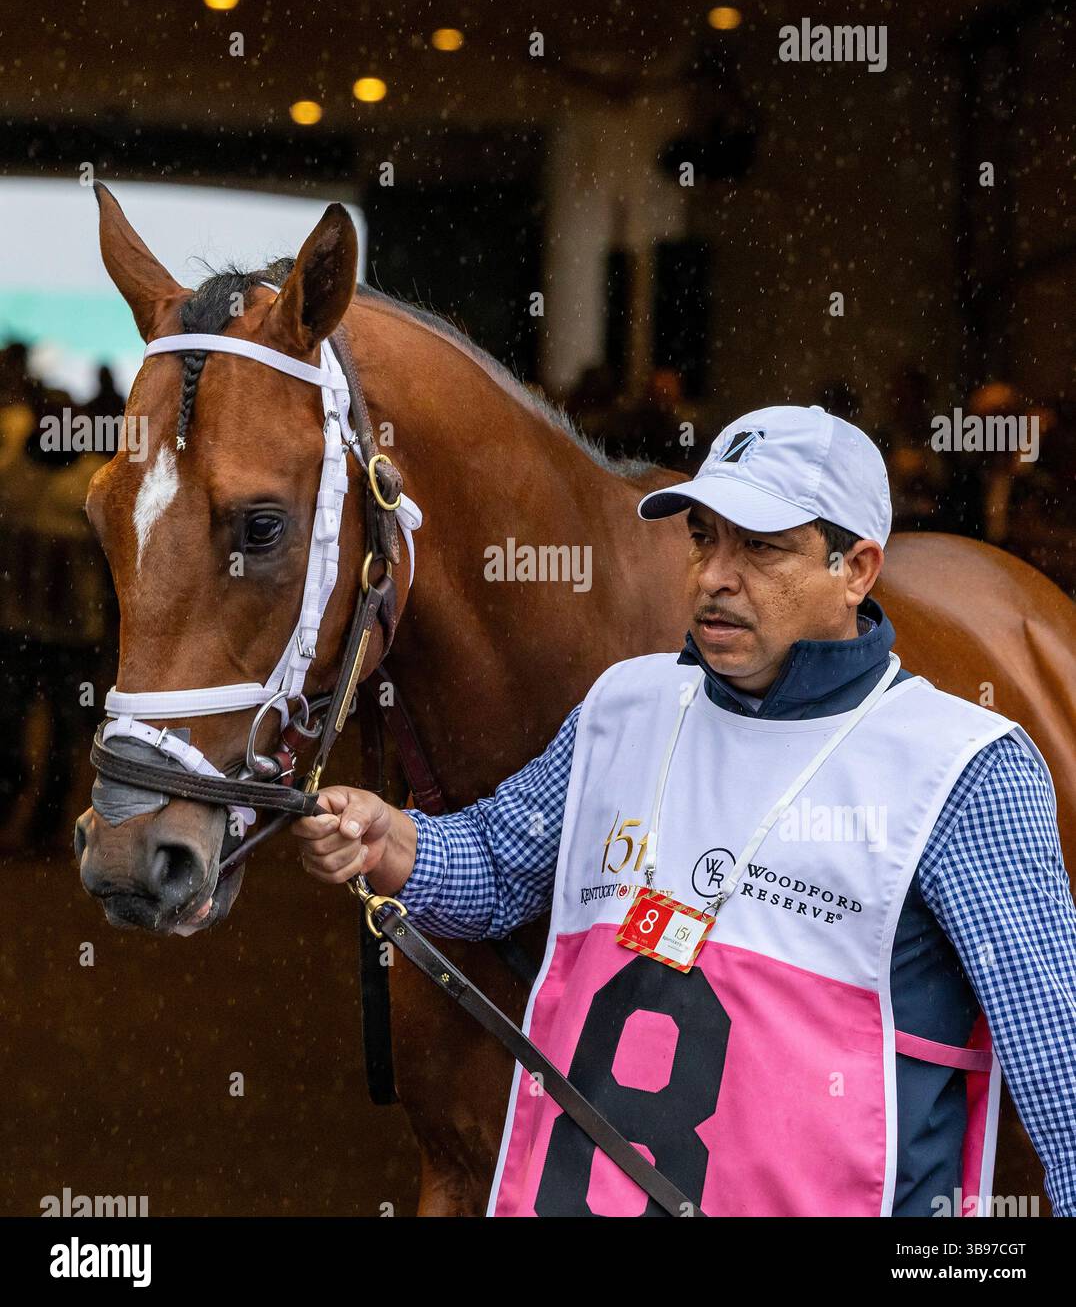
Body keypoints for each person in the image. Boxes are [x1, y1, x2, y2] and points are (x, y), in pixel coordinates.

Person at [292, 404, 1075, 1218]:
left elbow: (1060, 1063)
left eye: (761, 547)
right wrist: (393, 840)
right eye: (704, 537)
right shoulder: (625, 706)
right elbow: (495, 867)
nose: (712, 576)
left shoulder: (964, 769)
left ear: (858, 568)